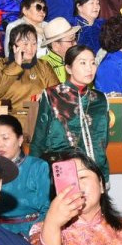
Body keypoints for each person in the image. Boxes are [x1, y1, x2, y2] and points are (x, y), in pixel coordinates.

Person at [32, 44, 110, 175]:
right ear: (68, 68)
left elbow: (104, 141)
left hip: (95, 171)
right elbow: (39, 139)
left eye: (93, 63)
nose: (89, 68)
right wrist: (33, 173)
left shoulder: (100, 99)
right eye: (83, 63)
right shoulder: (52, 95)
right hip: (62, 171)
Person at [0, 23, 59, 118]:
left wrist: (44, 97)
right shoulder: (0, 64)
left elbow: (57, 94)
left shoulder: (43, 65)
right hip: (11, 120)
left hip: (39, 119)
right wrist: (16, 64)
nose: (30, 48)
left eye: (34, 43)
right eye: (25, 44)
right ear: (14, 46)